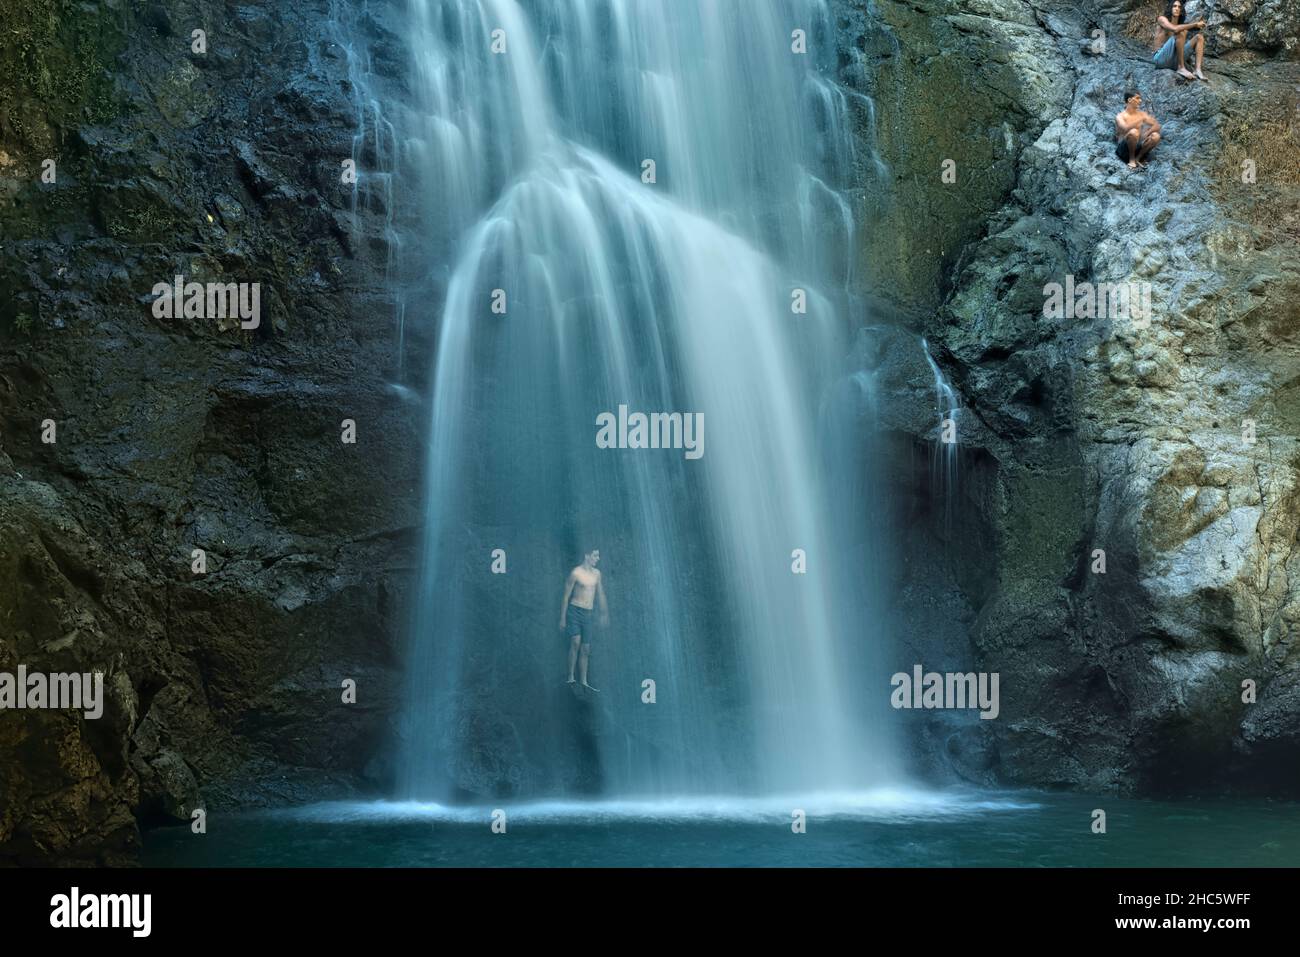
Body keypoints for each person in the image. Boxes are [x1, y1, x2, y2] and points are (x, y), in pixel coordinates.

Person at [560, 548, 608, 691]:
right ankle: (570, 677)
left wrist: (604, 612)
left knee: (586, 648)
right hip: (574, 611)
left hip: (588, 613)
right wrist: (562, 618)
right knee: (575, 642)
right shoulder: (576, 573)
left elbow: (600, 593)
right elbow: (565, 596)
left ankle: (584, 681)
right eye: (595, 555)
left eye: (598, 555)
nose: (598, 558)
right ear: (587, 556)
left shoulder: (597, 574)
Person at [1153, 0, 1208, 81]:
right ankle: (1181, 68)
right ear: (1170, 8)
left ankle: (1197, 70)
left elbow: (1180, 43)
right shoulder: (1162, 19)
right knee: (1180, 32)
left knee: (1199, 37)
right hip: (1160, 59)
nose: (1177, 8)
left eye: (1179, 7)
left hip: (1174, 61)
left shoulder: (1180, 26)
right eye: (1174, 6)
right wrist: (1195, 24)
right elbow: (1175, 29)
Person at [1115, 90, 1162, 170]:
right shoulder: (1120, 116)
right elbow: (1125, 128)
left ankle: (1138, 158)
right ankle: (1131, 160)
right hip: (1123, 149)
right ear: (1130, 100)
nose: (1140, 101)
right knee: (1134, 132)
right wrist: (1140, 120)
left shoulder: (1142, 114)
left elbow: (1157, 125)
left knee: (1156, 136)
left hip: (1138, 146)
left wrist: (1147, 133)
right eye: (1137, 98)